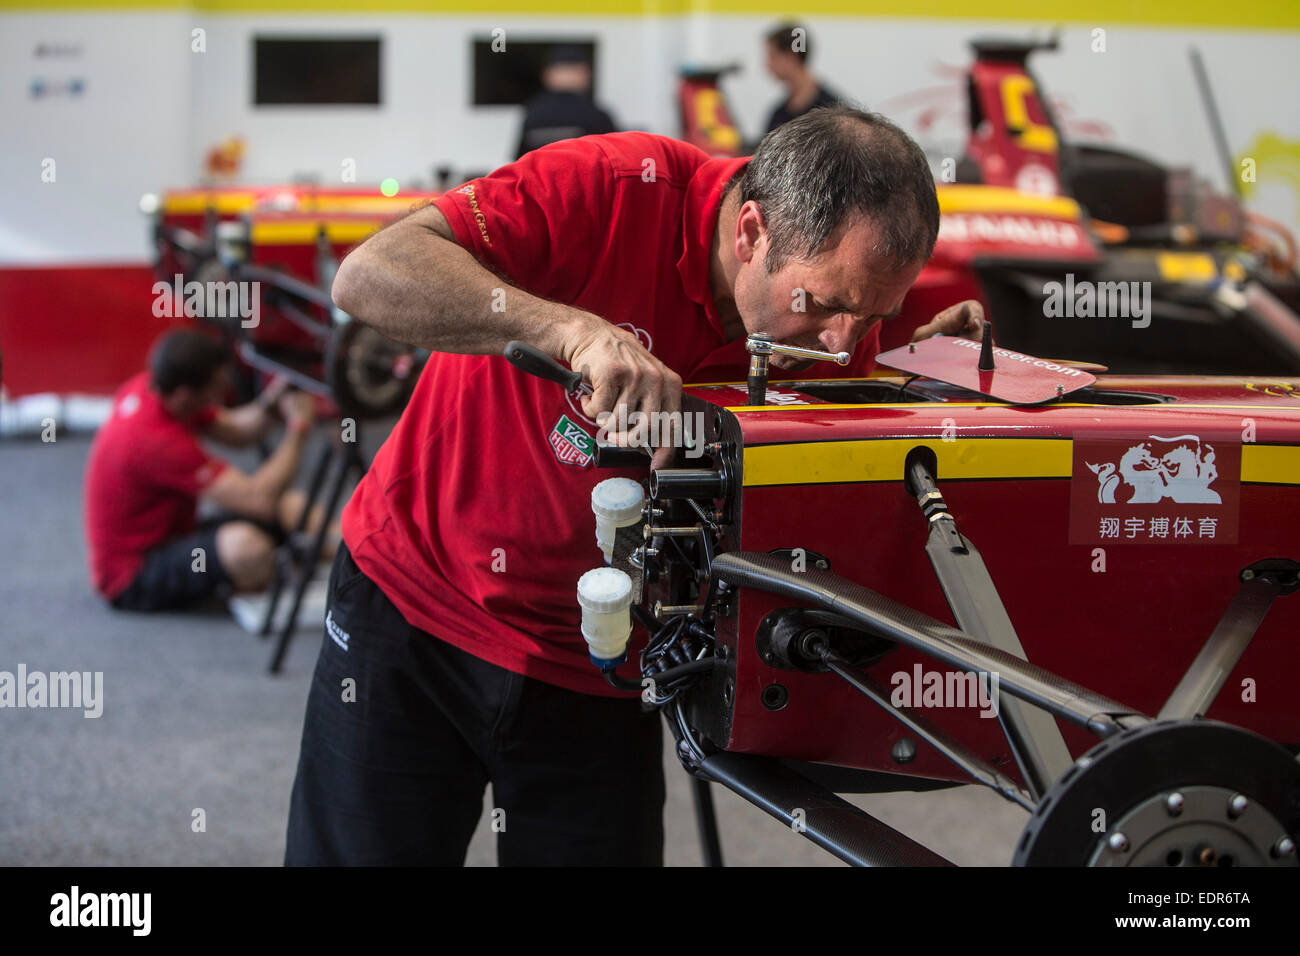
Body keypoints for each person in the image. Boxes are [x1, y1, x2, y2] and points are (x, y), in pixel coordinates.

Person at [285, 107, 983, 866]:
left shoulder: (838, 310)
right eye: (825, 305)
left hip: (606, 663)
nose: (843, 343)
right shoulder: (612, 187)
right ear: (750, 233)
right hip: (418, 611)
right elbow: (371, 273)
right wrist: (572, 331)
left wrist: (925, 373)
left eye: (872, 314)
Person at [84, 330, 324, 612]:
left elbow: (237, 430)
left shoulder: (156, 390)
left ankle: (352, 557)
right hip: (133, 575)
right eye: (217, 386)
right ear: (187, 396)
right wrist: (299, 429)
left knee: (294, 507)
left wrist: (272, 403)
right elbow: (260, 501)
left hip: (173, 534)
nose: (225, 389)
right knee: (248, 548)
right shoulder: (156, 442)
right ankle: (280, 567)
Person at [514, 45, 618, 160]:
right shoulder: (596, 115)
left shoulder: (533, 114)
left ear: (547, 75)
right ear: (584, 73)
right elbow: (615, 160)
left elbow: (521, 162)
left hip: (542, 177)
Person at [763, 23, 843, 135]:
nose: (767, 64)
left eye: (772, 56)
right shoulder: (778, 115)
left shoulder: (834, 112)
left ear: (791, 57)